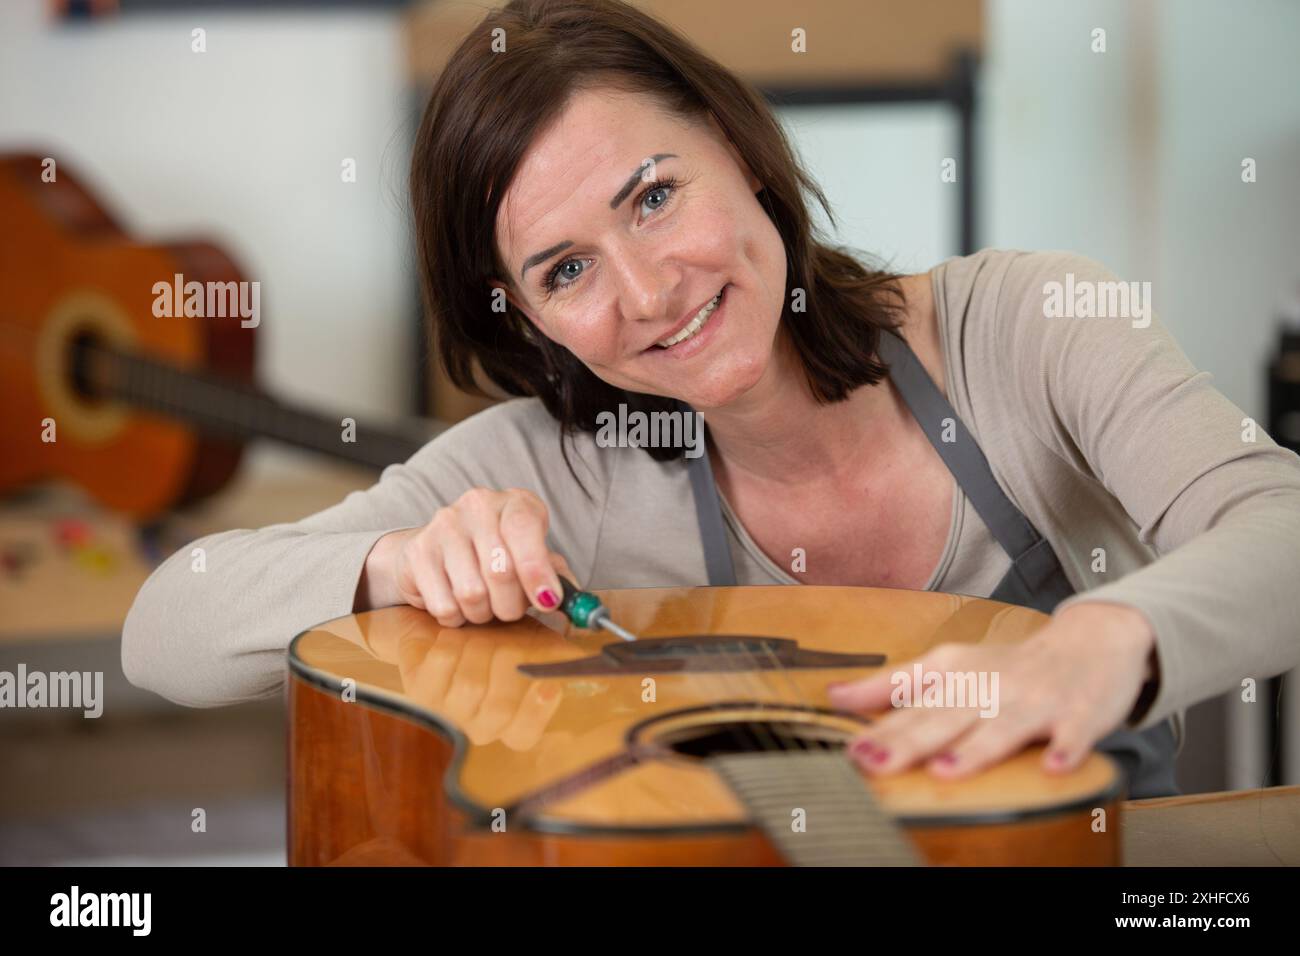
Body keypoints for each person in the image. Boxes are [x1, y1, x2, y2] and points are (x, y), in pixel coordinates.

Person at [123, 0, 1300, 799]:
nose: (646, 292)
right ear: (525, 318)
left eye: (651, 196)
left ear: (737, 144)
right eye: (565, 270)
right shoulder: (549, 467)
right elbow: (165, 629)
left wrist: (1107, 640)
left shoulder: (1030, 327)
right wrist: (393, 565)